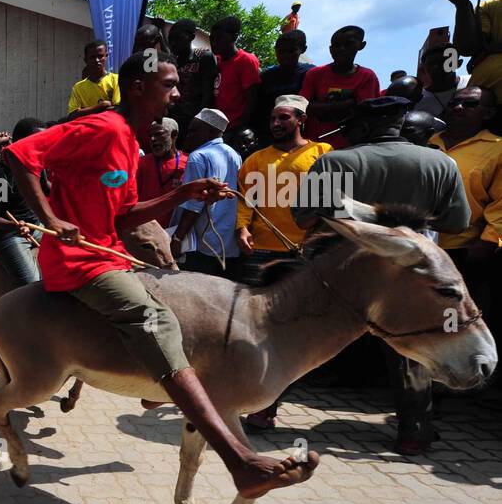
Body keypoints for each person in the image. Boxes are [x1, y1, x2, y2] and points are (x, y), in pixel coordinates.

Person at [4, 50, 318, 498]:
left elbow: (125, 216)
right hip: (79, 264)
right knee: (159, 320)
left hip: (112, 254)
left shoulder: (129, 145)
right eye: (169, 85)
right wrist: (52, 218)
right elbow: (20, 156)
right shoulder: (100, 127)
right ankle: (241, 462)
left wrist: (184, 193)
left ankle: (161, 383)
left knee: (179, 302)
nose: (177, 93)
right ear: (138, 87)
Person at [294, 96, 470, 456]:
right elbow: (457, 223)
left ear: (362, 126)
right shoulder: (442, 164)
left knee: (300, 338)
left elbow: (303, 217)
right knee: (410, 353)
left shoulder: (335, 162)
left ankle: (264, 412)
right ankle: (414, 432)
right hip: (409, 278)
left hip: (343, 275)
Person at [235, 95, 333, 429]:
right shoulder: (256, 159)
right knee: (257, 326)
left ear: (302, 119)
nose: (275, 124)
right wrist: (241, 229)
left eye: (284, 118)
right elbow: (247, 201)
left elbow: (333, 202)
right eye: (273, 119)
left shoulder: (325, 154)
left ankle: (269, 402)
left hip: (305, 254)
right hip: (262, 252)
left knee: (294, 329)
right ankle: (255, 400)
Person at [431, 86, 501, 347]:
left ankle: (464, 379)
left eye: (470, 104)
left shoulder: (497, 148)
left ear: (489, 112)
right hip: (421, 245)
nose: (458, 107)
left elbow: (501, 203)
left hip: (464, 248)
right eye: (455, 102)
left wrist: (487, 242)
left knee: (460, 316)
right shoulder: (426, 142)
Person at [171, 108, 242, 278]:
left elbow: (194, 203)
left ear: (210, 131)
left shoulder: (198, 157)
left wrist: (178, 238)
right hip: (228, 244)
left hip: (201, 245)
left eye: (194, 131)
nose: (189, 135)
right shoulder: (235, 155)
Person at [0, 118, 46, 285]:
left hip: (37, 227)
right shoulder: (1, 178)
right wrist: (15, 226)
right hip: (11, 234)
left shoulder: (35, 166)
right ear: (22, 143)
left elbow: (47, 189)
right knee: (32, 283)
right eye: (38, 141)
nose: (43, 146)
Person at [300, 25, 381, 147]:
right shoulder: (315, 74)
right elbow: (302, 107)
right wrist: (348, 103)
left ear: (361, 45)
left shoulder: (367, 76)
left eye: (349, 44)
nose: (342, 49)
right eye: (337, 45)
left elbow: (367, 113)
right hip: (313, 146)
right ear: (330, 49)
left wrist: (319, 106)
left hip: (352, 147)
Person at [445, 0, 502, 100]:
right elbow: (467, 47)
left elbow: (468, 48)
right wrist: (462, 4)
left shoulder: (488, 5)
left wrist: (487, 51)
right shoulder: (487, 5)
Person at [254, 30, 313, 140]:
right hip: (269, 136)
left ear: (303, 49)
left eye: (291, 51)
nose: (285, 56)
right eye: (281, 52)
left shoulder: (310, 73)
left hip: (302, 136)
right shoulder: (266, 76)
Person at [210, 15, 260, 132]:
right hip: (218, 127)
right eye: (212, 39)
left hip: (235, 127)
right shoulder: (216, 60)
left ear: (234, 37)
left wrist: (241, 128)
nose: (214, 43)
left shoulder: (246, 60)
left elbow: (252, 100)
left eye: (219, 39)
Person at [169, 19, 218, 137]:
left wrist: (199, 122)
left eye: (178, 38)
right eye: (171, 39)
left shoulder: (203, 57)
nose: (173, 43)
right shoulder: (173, 61)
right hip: (174, 119)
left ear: (191, 37)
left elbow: (208, 95)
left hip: (194, 121)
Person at [137, 118, 185, 225]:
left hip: (173, 229)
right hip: (144, 228)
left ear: (174, 135)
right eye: (151, 136)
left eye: (159, 134)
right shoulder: (142, 163)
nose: (153, 139)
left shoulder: (188, 163)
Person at [67, 40, 120, 116]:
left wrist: (84, 111)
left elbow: (118, 108)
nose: (97, 60)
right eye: (92, 57)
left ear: (106, 56)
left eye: (100, 56)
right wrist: (102, 105)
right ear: (86, 60)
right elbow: (73, 114)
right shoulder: (78, 87)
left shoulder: (116, 80)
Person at [413, 44, 463, 120]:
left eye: (443, 61)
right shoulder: (417, 100)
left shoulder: (473, 82)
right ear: (424, 69)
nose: (436, 67)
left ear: (458, 64)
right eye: (431, 64)